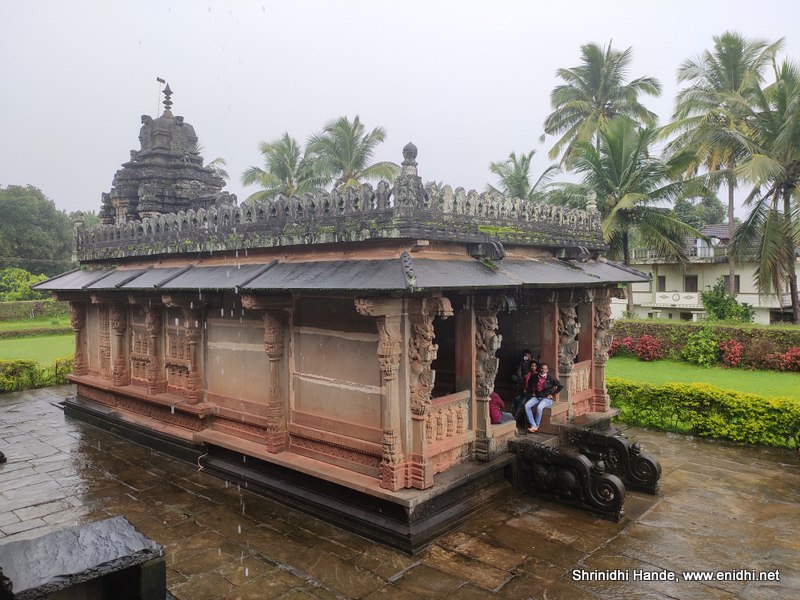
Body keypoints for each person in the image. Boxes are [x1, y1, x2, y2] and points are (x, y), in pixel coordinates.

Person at [523, 363, 563, 433]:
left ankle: (536, 426)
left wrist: (552, 394)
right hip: (537, 397)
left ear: (547, 370)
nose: (543, 370)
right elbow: (529, 384)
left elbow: (560, 386)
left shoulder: (550, 378)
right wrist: (532, 392)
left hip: (546, 399)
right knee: (526, 406)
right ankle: (533, 425)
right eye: (541, 368)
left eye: (545, 369)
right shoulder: (534, 376)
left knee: (539, 407)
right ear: (539, 369)